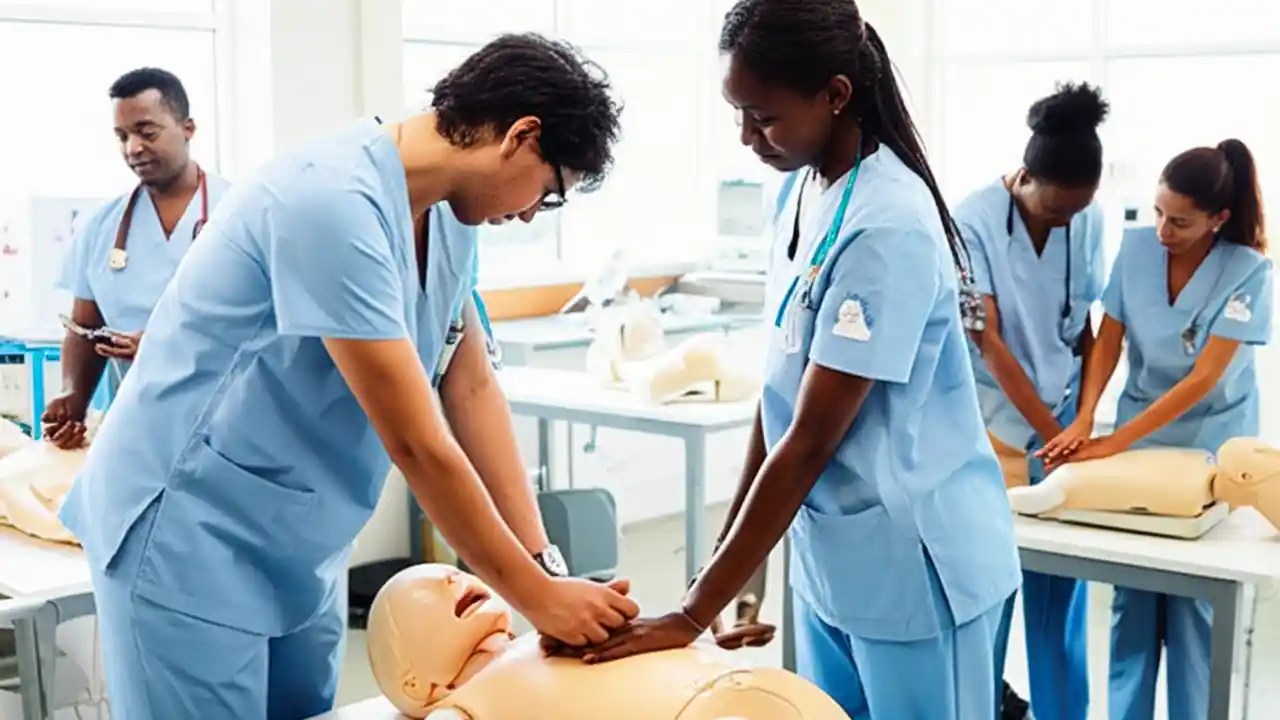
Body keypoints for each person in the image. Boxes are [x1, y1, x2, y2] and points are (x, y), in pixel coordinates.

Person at [57, 34, 639, 720]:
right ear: (521, 136)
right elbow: (416, 442)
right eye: (550, 191)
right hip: (187, 528)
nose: (533, 213)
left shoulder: (451, 219)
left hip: (299, 534)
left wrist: (545, 567)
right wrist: (538, 603)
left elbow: (470, 386)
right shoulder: (328, 198)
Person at [575, 2, 1021, 718]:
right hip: (834, 560)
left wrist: (691, 613)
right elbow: (781, 393)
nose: (747, 137)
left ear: (835, 95)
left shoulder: (890, 225)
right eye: (739, 115)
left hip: (919, 565)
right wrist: (730, 566)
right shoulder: (800, 192)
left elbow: (811, 437)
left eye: (764, 117)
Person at [1040, 139, 1273, 720]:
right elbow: (1109, 339)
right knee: (1134, 598)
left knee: (1196, 607)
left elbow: (1204, 378)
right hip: (1142, 432)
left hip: (1213, 441)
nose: (1164, 229)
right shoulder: (1137, 248)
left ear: (1218, 218)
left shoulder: (1248, 272)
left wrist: (1114, 443)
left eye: (1181, 221)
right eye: (1159, 213)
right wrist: (1088, 417)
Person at [955, 82, 1109, 720]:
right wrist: (1056, 433)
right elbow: (986, 340)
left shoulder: (1087, 216)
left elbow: (1088, 326)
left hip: (1060, 423)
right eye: (1054, 210)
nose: (1064, 221)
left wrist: (1084, 418)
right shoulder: (971, 222)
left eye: (1076, 211)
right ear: (1022, 177)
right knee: (990, 595)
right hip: (992, 429)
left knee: (1059, 600)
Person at [43, 67, 231, 449]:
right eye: (122, 136)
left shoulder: (241, 213)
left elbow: (270, 328)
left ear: (188, 128)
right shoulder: (100, 228)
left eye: (147, 132)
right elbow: (85, 328)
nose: (133, 148)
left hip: (231, 427)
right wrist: (73, 397)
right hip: (136, 433)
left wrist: (169, 346)